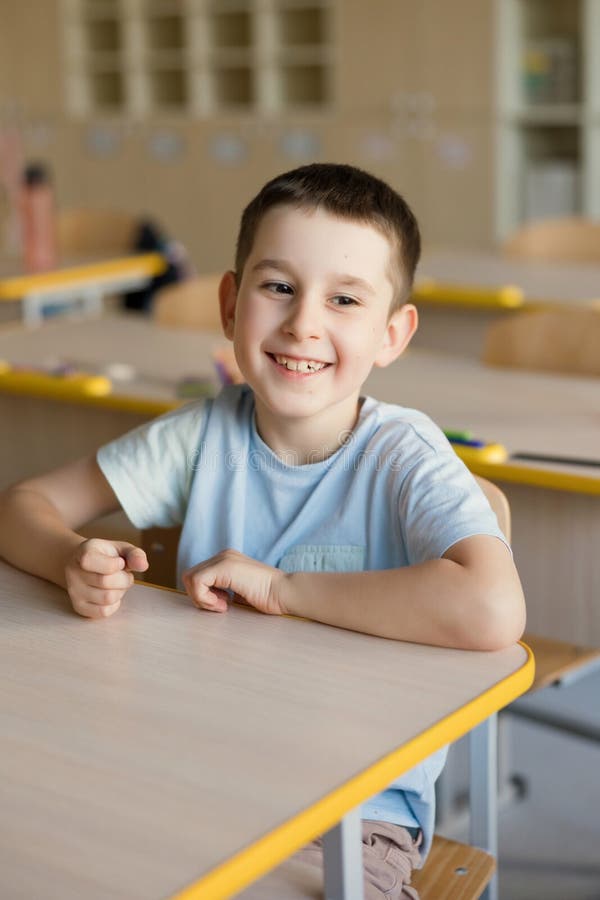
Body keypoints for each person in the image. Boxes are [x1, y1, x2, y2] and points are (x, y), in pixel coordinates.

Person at [0, 163, 525, 898]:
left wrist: (283, 589)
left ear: (391, 334)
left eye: (345, 299)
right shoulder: (200, 435)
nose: (304, 322)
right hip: (196, 774)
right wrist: (69, 559)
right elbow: (21, 504)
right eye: (277, 286)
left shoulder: (406, 454)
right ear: (229, 302)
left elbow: (493, 609)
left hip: (352, 817)